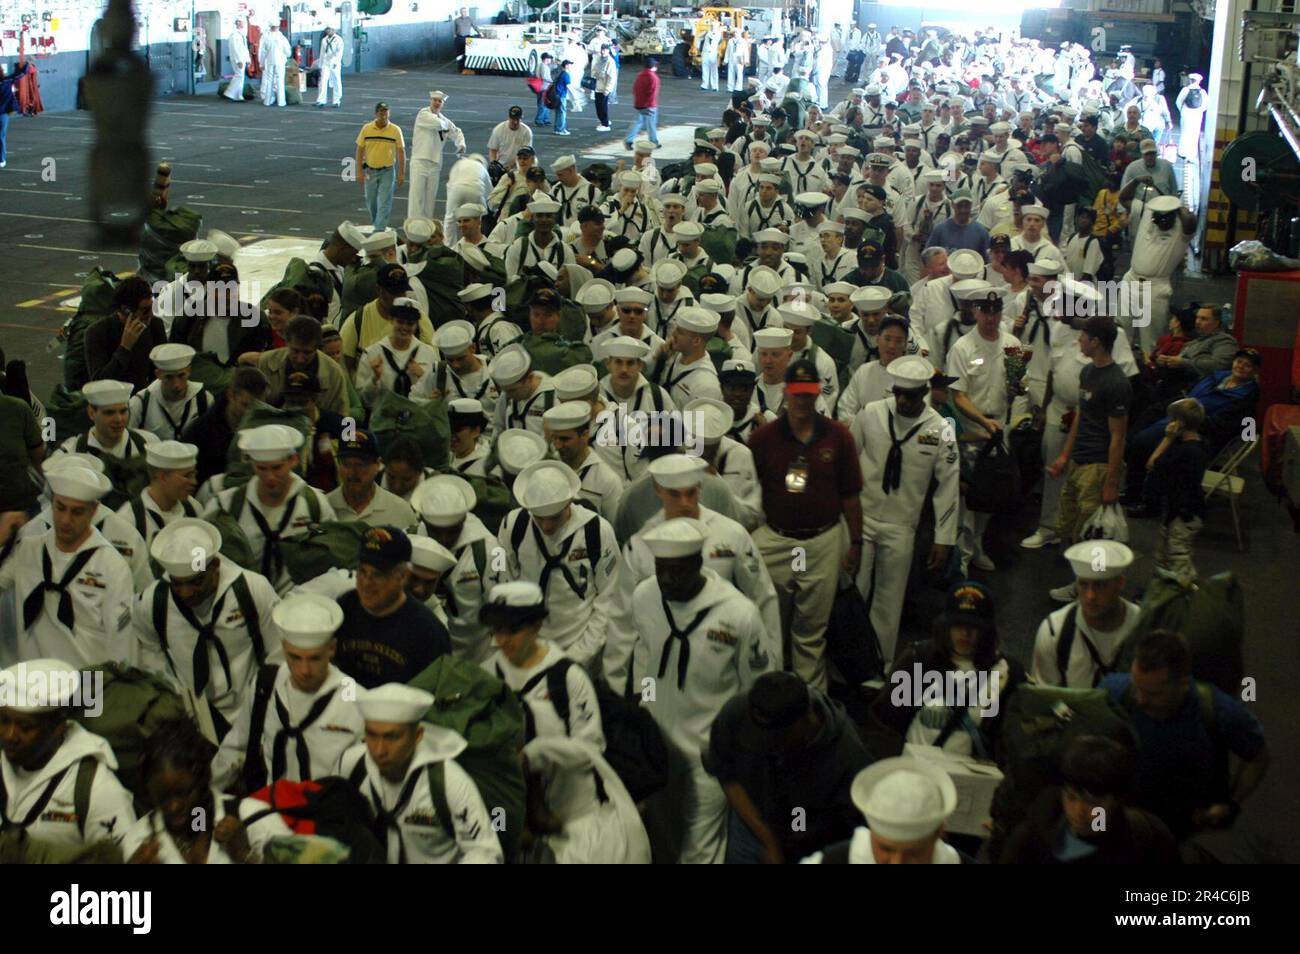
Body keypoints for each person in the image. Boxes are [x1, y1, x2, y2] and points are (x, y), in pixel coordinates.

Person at [629, 518, 775, 864]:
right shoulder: (645, 597)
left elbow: (755, 688)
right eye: (661, 569)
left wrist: (737, 752)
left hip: (708, 752)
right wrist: (644, 708)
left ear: (698, 564)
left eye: (676, 571)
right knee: (659, 840)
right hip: (658, 748)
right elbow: (644, 657)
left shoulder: (738, 613)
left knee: (700, 851)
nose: (666, 580)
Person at [749, 359, 863, 690]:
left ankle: (813, 703)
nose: (802, 402)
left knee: (811, 627)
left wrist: (856, 543)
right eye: (796, 395)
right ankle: (773, 695)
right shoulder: (762, 439)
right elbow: (748, 494)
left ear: (817, 395)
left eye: (808, 395)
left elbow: (850, 496)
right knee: (772, 621)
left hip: (821, 541)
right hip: (777, 539)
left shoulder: (838, 437)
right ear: (785, 394)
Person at [1100, 629, 1269, 842]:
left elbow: (1258, 758)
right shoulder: (1113, 693)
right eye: (1137, 687)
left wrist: (1231, 804)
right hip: (1128, 822)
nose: (1140, 700)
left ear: (1183, 684)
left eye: (1153, 693)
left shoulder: (1218, 712)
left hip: (1187, 830)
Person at [848, 355, 959, 663]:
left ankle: (879, 662)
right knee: (855, 591)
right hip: (863, 517)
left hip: (902, 525)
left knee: (889, 598)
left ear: (924, 393)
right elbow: (850, 462)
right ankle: (848, 659)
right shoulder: (871, 414)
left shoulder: (940, 429)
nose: (902, 401)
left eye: (910, 396)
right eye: (897, 393)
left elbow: (949, 486)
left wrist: (944, 538)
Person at [135, 517, 281, 738]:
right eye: (177, 583)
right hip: (188, 719)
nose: (186, 593)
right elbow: (152, 663)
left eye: (196, 582)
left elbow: (278, 654)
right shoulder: (151, 604)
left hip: (251, 712)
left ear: (215, 565)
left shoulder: (253, 591)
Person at [705, 671, 870, 864]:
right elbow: (727, 775)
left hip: (812, 840)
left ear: (807, 720)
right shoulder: (738, 712)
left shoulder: (848, 759)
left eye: (777, 739)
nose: (768, 746)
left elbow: (862, 837)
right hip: (752, 821)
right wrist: (769, 840)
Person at [211, 592, 365, 792]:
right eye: (295, 657)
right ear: (284, 649)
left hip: (328, 814)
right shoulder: (266, 684)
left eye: (315, 658)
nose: (305, 670)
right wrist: (206, 792)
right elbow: (237, 745)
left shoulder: (356, 699)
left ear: (332, 649)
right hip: (271, 807)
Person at [337, 682, 503, 863]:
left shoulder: (448, 781)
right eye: (372, 735)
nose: (379, 750)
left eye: (391, 737)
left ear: (418, 736)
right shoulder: (352, 765)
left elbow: (484, 851)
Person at [870, 580, 1026, 759]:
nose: (965, 633)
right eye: (958, 624)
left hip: (973, 781)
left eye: (974, 627)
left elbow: (1012, 742)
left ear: (988, 632)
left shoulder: (1008, 673)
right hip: (915, 772)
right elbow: (885, 724)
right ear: (946, 626)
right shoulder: (918, 661)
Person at [490, 460, 620, 670]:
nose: (547, 526)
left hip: (581, 647)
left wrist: (579, 656)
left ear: (570, 502)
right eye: (539, 518)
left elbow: (609, 597)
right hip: (525, 648)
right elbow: (502, 583)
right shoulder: (513, 526)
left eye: (555, 518)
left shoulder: (597, 532)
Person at [0, 658, 136, 852]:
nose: (10, 735)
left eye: (25, 727)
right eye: (3, 721)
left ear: (58, 727)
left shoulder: (97, 790)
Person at [1046, 317, 1131, 601]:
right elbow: (1081, 418)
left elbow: (1118, 436)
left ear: (1096, 342)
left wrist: (1111, 482)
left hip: (1098, 466)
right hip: (1078, 462)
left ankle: (1091, 590)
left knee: (1091, 535)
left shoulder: (1117, 383)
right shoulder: (1088, 373)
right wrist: (1064, 456)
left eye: (1083, 337)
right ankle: (1083, 583)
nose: (1079, 341)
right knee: (1069, 526)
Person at [999, 734, 1180, 864]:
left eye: (1093, 802)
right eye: (1071, 797)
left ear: (1117, 799)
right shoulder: (1036, 831)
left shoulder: (1147, 839)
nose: (1079, 812)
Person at [125, 718, 285, 863]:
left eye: (183, 792)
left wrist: (245, 855)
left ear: (202, 778)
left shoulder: (252, 819)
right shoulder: (138, 841)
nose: (174, 806)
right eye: (162, 797)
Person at [204, 424, 335, 592]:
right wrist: (201, 576)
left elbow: (331, 556)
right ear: (252, 463)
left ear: (293, 460)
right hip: (243, 602)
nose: (270, 477)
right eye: (261, 468)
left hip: (299, 604)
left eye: (277, 468)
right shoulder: (226, 504)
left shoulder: (314, 503)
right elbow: (199, 547)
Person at [480, 580, 604, 750]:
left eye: (513, 630)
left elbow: (591, 747)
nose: (503, 639)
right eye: (498, 629)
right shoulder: (485, 674)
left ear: (536, 626)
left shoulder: (568, 677)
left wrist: (539, 759)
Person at [333, 526, 453, 688]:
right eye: (363, 572)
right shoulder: (344, 609)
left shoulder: (429, 634)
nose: (367, 583)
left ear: (402, 576)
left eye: (378, 575)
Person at [803, 756, 967, 864]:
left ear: (939, 833)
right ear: (872, 832)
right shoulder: (833, 861)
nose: (897, 862)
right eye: (886, 848)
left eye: (913, 852)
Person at [1031, 540, 1140, 687]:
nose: (1090, 596)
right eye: (1083, 585)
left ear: (1120, 583)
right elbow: (1043, 697)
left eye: (1100, 585)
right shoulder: (1054, 632)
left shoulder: (1142, 625)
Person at [1143, 398, 1211, 582]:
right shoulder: (1200, 443)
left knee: (1178, 556)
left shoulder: (1184, 452)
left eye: (1171, 419)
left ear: (1179, 423)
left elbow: (1152, 463)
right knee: (1164, 553)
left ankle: (1184, 592)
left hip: (1184, 513)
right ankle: (1161, 590)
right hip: (1181, 509)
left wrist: (1167, 438)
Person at [183, 366, 267, 485]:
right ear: (231, 395)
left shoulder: (267, 428)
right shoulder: (200, 432)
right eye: (245, 405)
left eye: (257, 407)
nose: (251, 412)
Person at [84, 277, 168, 392]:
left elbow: (160, 370)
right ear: (126, 311)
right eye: (145, 311)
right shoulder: (97, 333)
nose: (151, 314)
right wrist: (125, 347)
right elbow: (100, 383)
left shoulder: (154, 326)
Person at [258, 315, 351, 417]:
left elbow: (343, 418)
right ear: (286, 342)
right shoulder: (266, 363)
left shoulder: (334, 373)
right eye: (295, 351)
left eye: (307, 353)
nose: (300, 358)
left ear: (317, 348)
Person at [326, 430, 417, 530]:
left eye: (361, 465)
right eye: (346, 464)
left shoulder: (400, 511)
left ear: (378, 465)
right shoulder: (324, 507)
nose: (353, 472)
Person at [408, 91, 465, 221]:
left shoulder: (444, 120)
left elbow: (457, 132)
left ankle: (427, 228)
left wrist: (461, 144)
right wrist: (448, 127)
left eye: (440, 101)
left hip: (435, 163)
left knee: (430, 200)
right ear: (430, 101)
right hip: (420, 161)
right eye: (435, 100)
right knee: (416, 198)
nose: (437, 103)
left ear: (443, 104)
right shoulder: (423, 114)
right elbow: (438, 124)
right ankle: (413, 228)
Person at [356, 102, 406, 232]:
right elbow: (360, 150)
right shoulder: (367, 129)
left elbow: (401, 152)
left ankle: (379, 229)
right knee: (370, 200)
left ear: (389, 113)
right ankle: (377, 223)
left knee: (384, 202)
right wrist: (359, 172)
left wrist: (401, 173)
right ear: (376, 114)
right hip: (370, 170)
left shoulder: (395, 130)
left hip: (387, 171)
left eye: (386, 111)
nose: (383, 115)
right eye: (381, 112)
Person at [624, 58, 662, 150]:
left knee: (637, 123)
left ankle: (628, 140)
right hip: (649, 105)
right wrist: (648, 105)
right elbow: (652, 93)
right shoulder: (653, 77)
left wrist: (639, 104)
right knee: (651, 124)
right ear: (653, 66)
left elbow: (635, 90)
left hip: (639, 104)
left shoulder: (640, 75)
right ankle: (653, 142)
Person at [257, 22, 291, 108]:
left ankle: (267, 101)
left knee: (269, 81)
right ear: (278, 27)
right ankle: (281, 102)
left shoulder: (266, 38)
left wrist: (261, 63)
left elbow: (263, 52)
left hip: (269, 61)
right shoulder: (282, 38)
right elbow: (288, 52)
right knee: (280, 81)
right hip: (280, 62)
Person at [222, 19, 250, 103]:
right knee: (239, 75)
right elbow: (235, 49)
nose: (244, 24)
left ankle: (238, 95)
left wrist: (247, 59)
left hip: (242, 58)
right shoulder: (234, 35)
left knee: (241, 77)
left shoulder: (241, 34)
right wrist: (239, 61)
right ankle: (229, 92)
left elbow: (244, 48)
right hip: (238, 58)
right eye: (242, 22)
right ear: (238, 23)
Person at [315, 26, 344, 108]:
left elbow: (339, 52)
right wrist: (320, 64)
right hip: (326, 62)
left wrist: (336, 62)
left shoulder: (339, 40)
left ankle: (336, 100)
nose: (328, 31)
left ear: (334, 30)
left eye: (330, 29)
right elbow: (322, 52)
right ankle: (321, 100)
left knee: (336, 81)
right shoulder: (324, 40)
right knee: (323, 80)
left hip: (334, 62)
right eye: (327, 29)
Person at [592, 44, 618, 132]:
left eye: (605, 50)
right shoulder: (599, 59)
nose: (603, 52)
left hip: (604, 88)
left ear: (608, 51)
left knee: (603, 107)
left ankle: (605, 124)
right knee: (598, 106)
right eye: (602, 50)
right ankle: (603, 121)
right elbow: (595, 70)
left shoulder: (610, 62)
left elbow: (612, 77)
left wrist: (608, 89)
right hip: (598, 86)